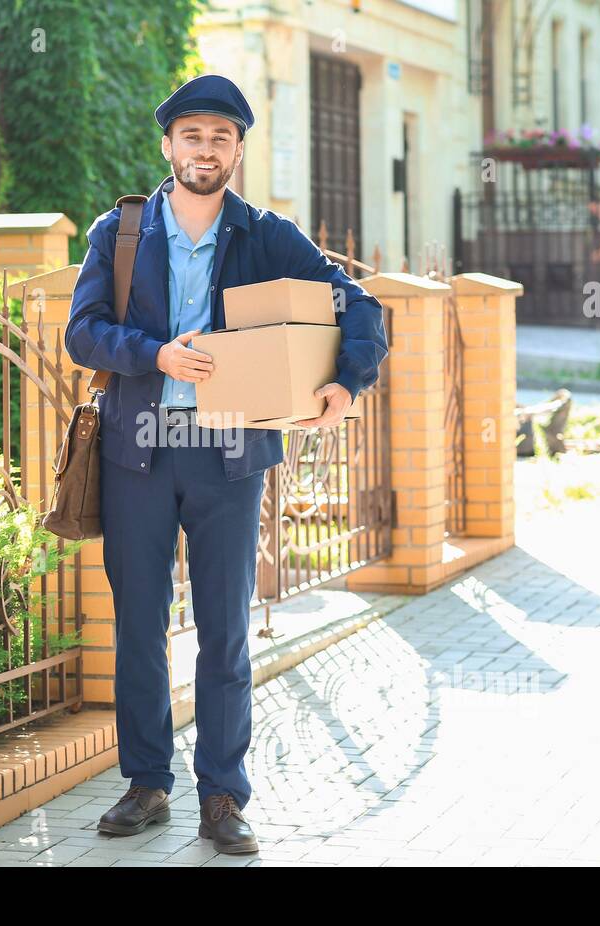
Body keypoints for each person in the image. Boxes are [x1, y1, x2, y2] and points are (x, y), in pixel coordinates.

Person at [64, 74, 387, 854]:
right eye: (191, 136)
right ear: (168, 145)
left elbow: (361, 306)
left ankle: (222, 796)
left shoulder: (266, 235)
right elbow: (82, 334)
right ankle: (147, 784)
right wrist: (155, 352)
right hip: (136, 456)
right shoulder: (122, 232)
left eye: (220, 138)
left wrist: (346, 384)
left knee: (225, 631)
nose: (204, 150)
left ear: (237, 150)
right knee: (139, 628)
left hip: (230, 456)